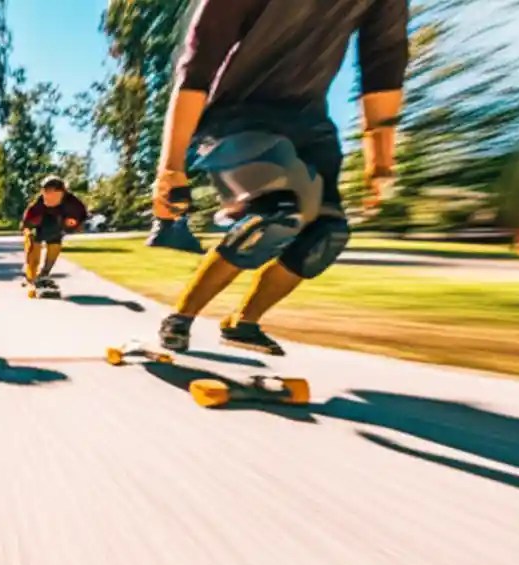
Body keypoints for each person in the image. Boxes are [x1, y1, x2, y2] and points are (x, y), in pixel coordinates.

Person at [151, 0, 409, 355]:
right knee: (276, 214)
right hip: (234, 118)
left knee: (326, 235)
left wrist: (380, 161)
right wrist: (170, 168)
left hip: (308, 124)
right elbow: (198, 66)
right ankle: (181, 318)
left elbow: (384, 61)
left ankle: (243, 323)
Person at [20, 175, 88, 287]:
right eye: (45, 192)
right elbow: (26, 222)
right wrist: (27, 232)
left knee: (55, 243)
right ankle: (30, 274)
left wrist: (77, 225)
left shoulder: (73, 203)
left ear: (62, 193)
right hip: (39, 227)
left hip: (57, 226)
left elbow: (82, 216)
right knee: (33, 244)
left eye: (52, 193)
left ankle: (45, 273)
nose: (48, 196)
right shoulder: (39, 204)